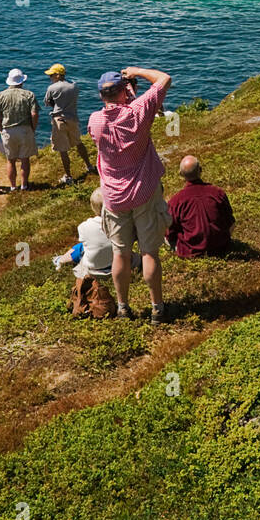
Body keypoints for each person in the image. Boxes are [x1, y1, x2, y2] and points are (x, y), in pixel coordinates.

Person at [88, 65, 172, 325]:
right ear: (125, 91)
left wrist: (127, 95)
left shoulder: (95, 120)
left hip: (113, 197)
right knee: (149, 253)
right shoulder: (138, 112)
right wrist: (135, 71)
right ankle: (157, 308)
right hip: (144, 192)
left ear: (102, 96)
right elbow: (163, 79)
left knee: (121, 254)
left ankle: (123, 306)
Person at [166, 156, 235, 257]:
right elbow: (230, 221)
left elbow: (170, 232)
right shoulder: (218, 193)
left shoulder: (176, 201)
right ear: (201, 170)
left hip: (191, 250)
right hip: (221, 246)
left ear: (181, 174)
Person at [43, 63, 97, 185]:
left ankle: (68, 176)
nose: (50, 77)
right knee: (78, 142)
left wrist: (57, 106)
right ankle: (89, 166)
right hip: (73, 118)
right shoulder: (74, 87)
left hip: (59, 120)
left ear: (57, 75)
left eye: (51, 75)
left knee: (63, 149)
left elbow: (48, 102)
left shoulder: (52, 88)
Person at [0, 68, 39, 192]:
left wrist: (1, 129)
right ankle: (24, 186)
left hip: (8, 130)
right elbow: (34, 114)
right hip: (25, 129)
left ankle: (13, 187)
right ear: (21, 81)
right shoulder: (29, 94)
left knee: (11, 160)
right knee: (25, 159)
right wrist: (33, 128)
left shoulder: (1, 95)